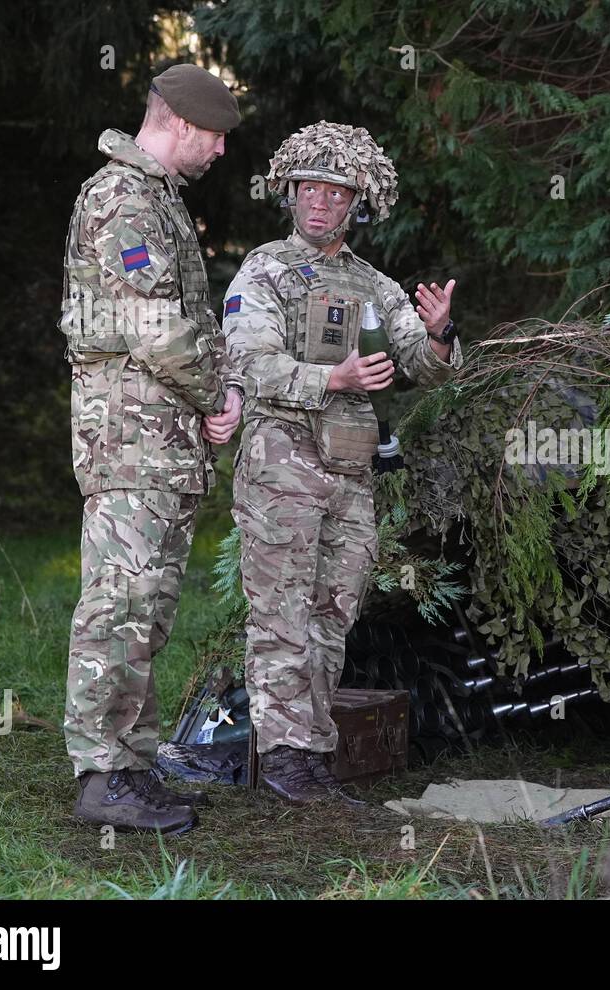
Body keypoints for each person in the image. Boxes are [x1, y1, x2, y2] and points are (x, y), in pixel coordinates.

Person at [222, 121, 462, 804]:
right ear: (289, 193)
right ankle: (283, 756)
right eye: (310, 191)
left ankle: (312, 750)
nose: (321, 204)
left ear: (358, 203)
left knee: (333, 614)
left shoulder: (375, 285)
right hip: (282, 466)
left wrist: (441, 334)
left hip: (351, 474)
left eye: (337, 193)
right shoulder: (264, 269)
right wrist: (336, 380)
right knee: (281, 614)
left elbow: (421, 365)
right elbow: (250, 362)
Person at [61, 63, 243, 834]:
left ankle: (129, 762)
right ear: (177, 122)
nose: (221, 153)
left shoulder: (156, 199)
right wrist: (219, 396)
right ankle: (103, 774)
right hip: (131, 441)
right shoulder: (123, 199)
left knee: (147, 610)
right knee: (119, 605)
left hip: (157, 445)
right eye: (216, 137)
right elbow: (157, 329)